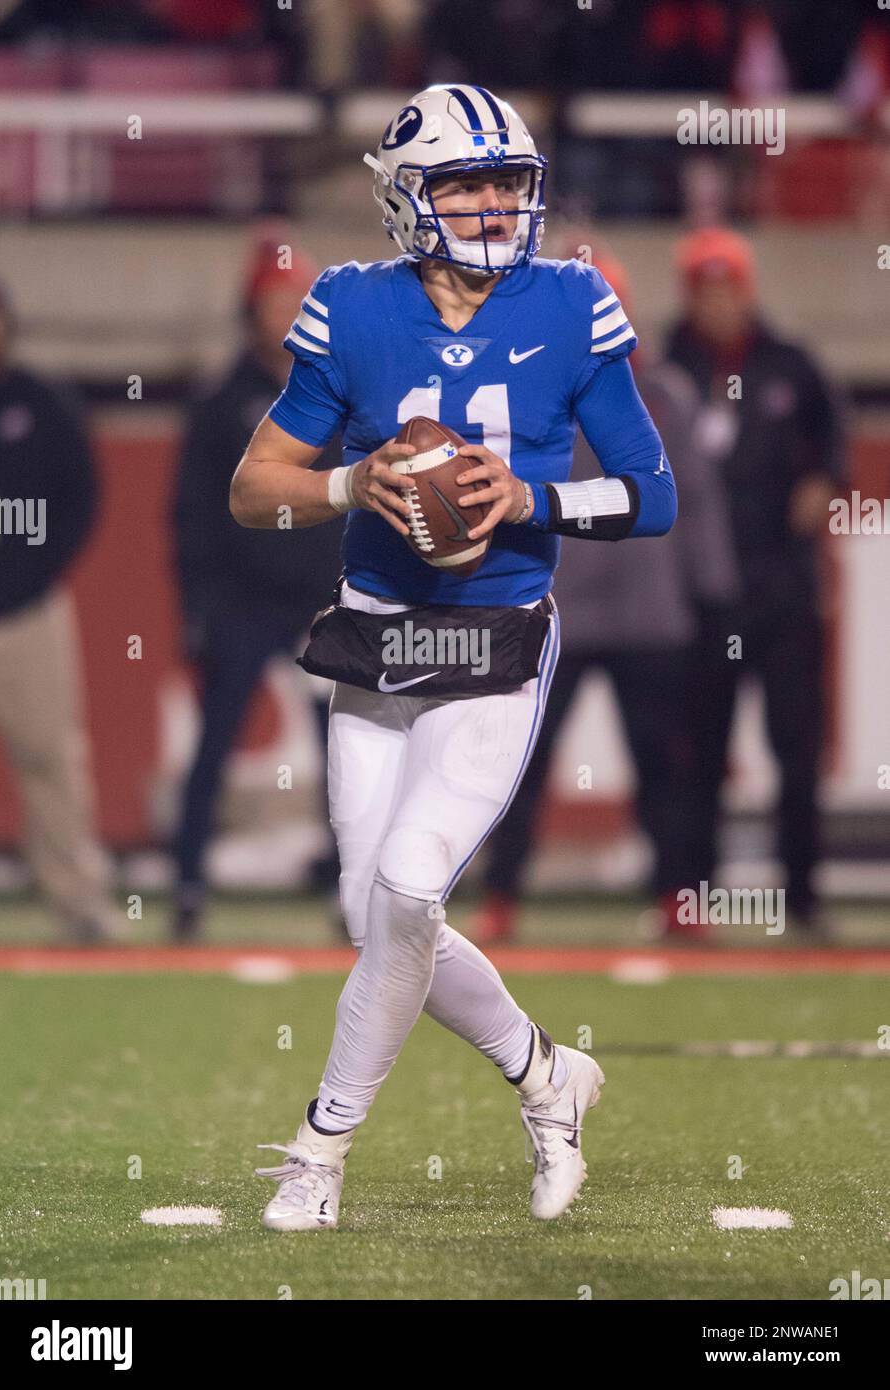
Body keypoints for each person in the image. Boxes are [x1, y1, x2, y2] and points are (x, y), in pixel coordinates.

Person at [230, 85, 676, 1232]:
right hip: (375, 634)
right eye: (466, 183)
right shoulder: (352, 307)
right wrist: (347, 480)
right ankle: (546, 1074)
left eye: (510, 182)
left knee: (413, 884)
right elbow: (251, 488)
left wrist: (534, 495)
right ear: (406, 200)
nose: (493, 204)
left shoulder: (574, 301)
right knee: (377, 911)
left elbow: (653, 492)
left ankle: (321, 1149)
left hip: (497, 634)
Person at [472, 251, 739, 944]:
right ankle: (500, 893)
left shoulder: (665, 396)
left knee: (662, 764)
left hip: (647, 610)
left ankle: (678, 895)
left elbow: (697, 503)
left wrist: (713, 596)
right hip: (557, 603)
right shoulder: (528, 387)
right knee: (522, 759)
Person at [664, 227, 845, 935]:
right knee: (698, 754)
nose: (717, 303)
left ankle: (800, 898)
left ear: (747, 290)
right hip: (703, 593)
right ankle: (694, 899)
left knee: (795, 749)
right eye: (704, 290)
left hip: (781, 589)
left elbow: (831, 446)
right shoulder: (668, 366)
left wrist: (823, 483)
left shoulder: (791, 366)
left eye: (727, 287)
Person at [169, 240, 344, 940]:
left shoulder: (334, 393)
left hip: (320, 601)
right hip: (243, 601)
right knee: (213, 746)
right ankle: (187, 882)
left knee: (348, 756)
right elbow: (191, 514)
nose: (284, 315)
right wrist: (200, 606)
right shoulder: (221, 402)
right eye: (274, 302)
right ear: (251, 312)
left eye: (293, 302)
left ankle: (349, 886)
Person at [0, 275, 127, 944]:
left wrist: (31, 571)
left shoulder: (39, 402)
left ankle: (79, 902)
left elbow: (81, 497)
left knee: (50, 757)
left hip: (24, 613)